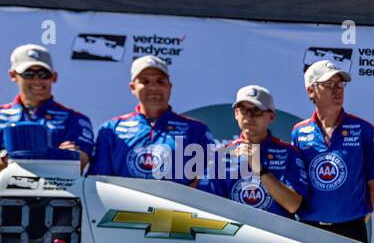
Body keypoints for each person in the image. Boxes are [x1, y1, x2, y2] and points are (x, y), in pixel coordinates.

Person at [292, 59, 374, 243]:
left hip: (351, 229)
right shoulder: (299, 132)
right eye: (329, 84)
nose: (338, 90)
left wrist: (357, 220)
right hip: (310, 228)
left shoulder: (364, 130)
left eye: (340, 84)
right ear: (311, 91)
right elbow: (297, 186)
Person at [90, 55, 215, 186]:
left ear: (169, 86)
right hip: (121, 206)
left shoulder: (196, 129)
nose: (153, 88)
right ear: (132, 87)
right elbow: (100, 181)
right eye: (145, 81)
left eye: (160, 81)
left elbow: (207, 180)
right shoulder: (111, 129)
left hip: (177, 206)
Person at [204, 85, 308, 217]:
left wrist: (260, 169)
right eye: (243, 110)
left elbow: (293, 205)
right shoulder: (221, 156)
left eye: (256, 111)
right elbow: (212, 208)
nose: (249, 117)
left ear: (271, 116)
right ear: (236, 114)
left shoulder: (289, 153)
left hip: (276, 235)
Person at [0, 44, 93, 171]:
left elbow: (80, 162)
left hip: (54, 190)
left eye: (43, 74)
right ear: (13, 75)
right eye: (29, 74)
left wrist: (13, 159)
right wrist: (59, 155)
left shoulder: (75, 119)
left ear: (54, 77)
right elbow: (68, 160)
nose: (37, 80)